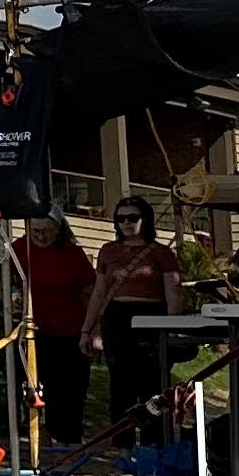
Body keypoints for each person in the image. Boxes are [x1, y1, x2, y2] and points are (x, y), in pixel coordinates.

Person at [84, 196, 187, 459]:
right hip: (117, 318)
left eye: (133, 218)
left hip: (152, 317)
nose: (127, 223)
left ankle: (155, 442)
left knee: (153, 382)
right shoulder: (108, 251)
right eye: (121, 218)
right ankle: (122, 442)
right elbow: (99, 292)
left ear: (145, 219)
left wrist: (172, 326)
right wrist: (87, 329)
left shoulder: (161, 253)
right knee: (120, 384)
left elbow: (173, 292)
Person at [14, 210, 96, 459]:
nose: (40, 236)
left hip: (69, 330)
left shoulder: (71, 254)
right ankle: (35, 436)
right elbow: (6, 281)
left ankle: (68, 438)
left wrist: (93, 329)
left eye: (46, 231)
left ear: (59, 230)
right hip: (31, 330)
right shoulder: (19, 249)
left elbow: (89, 292)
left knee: (68, 390)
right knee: (31, 387)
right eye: (35, 231)